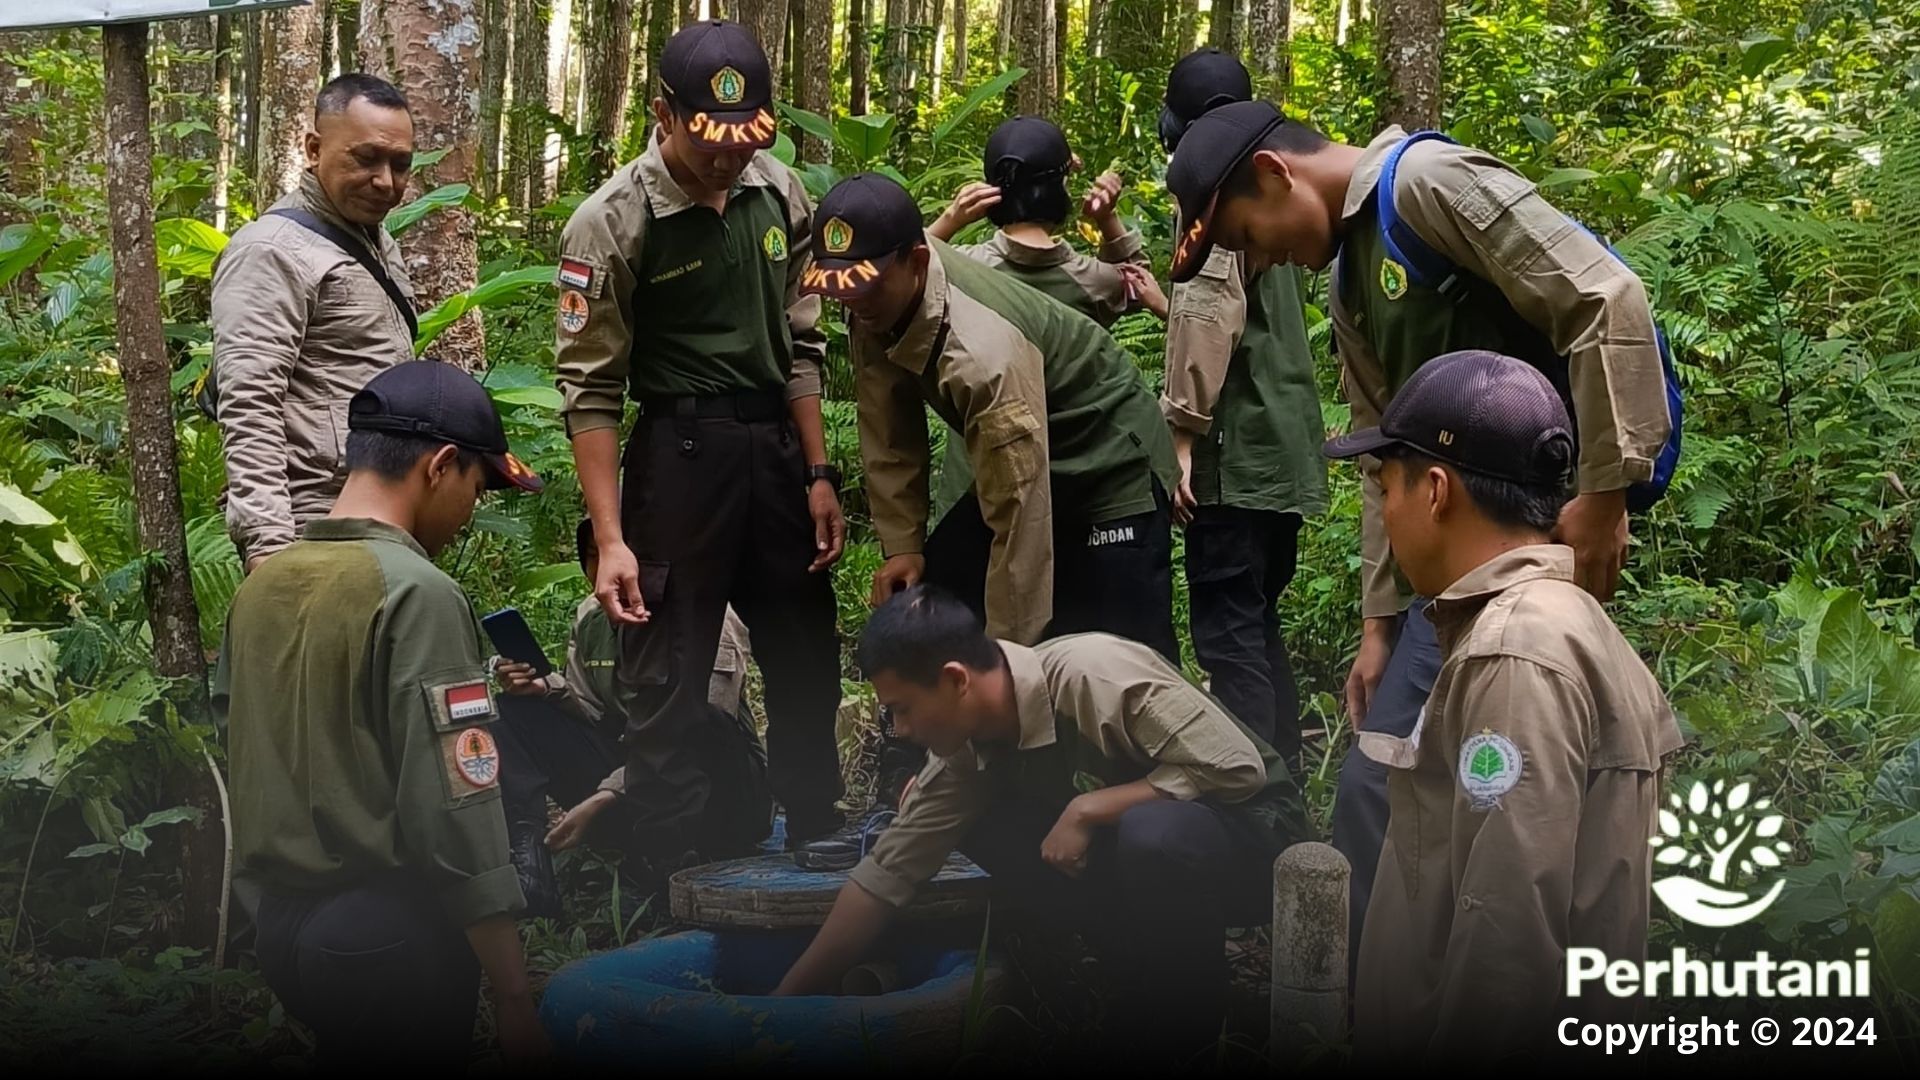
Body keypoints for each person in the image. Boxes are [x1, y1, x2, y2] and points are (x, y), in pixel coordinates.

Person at [1163, 99, 1675, 973]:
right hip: (1449, 574)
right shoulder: (1346, 277)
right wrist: (1378, 623)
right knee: (1389, 784)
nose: (1261, 260)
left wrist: (1605, 491)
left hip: (1524, 548)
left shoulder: (1428, 186)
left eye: (1250, 234)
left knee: (1454, 795)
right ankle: (1394, 987)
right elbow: (1384, 457)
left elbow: (1603, 293)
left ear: (1276, 175)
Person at [1321, 350, 1683, 1063]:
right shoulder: (1562, 624)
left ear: (1434, 490)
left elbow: (1506, 938)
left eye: (1385, 486)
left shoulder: (1515, 655)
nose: (1385, 512)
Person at [772, 586, 1304, 1065]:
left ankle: (1191, 1033)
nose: (903, 730)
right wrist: (783, 1006)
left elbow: (1237, 768)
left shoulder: (1091, 674)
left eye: (904, 709)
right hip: (1151, 864)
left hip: (1258, 837)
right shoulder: (966, 750)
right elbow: (886, 875)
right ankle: (1128, 984)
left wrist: (1089, 808)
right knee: (989, 828)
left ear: (956, 679)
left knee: (1154, 836)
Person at [554, 19, 848, 870]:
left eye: (745, 140)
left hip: (776, 452)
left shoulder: (779, 189)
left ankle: (815, 821)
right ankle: (670, 868)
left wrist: (818, 471)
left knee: (803, 647)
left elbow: (802, 344)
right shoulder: (611, 221)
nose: (727, 161)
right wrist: (611, 539)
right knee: (668, 676)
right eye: (709, 141)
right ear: (664, 114)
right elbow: (591, 390)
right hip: (677, 458)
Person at [212, 361, 548, 1067]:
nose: (470, 513)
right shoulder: (416, 591)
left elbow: (242, 757)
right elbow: (455, 806)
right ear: (442, 465)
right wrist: (514, 994)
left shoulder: (263, 587)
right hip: (388, 940)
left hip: (283, 931)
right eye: (478, 489)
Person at [803, 171, 1181, 662]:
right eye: (840, 288)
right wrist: (903, 546)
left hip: (1108, 457)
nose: (851, 302)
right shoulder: (870, 302)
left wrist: (1008, 662)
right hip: (1030, 450)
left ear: (917, 261)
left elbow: (1021, 516)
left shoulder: (983, 355)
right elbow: (888, 429)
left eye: (866, 288)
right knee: (942, 603)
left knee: (1126, 657)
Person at [1157, 50, 1327, 760]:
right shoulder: (1271, 189)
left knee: (1230, 640)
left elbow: (1209, 306)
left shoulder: (1220, 191)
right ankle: (1281, 788)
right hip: (1281, 456)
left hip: (1235, 458)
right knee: (1256, 630)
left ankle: (1255, 808)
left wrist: (1182, 437)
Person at [211, 73, 420, 571]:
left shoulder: (375, 240)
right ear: (312, 148)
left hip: (374, 515)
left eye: (400, 164)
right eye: (365, 159)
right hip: (310, 525)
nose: (385, 182)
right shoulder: (272, 250)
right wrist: (266, 545)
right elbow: (249, 402)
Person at [923, 114, 1168, 524]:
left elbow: (901, 274)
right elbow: (1140, 281)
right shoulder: (1094, 281)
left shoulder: (959, 272)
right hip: (1068, 490)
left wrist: (950, 219)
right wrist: (1108, 220)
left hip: (974, 488)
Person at [493, 519, 770, 867]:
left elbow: (700, 726)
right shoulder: (592, 617)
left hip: (722, 793)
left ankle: (680, 852)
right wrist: (543, 689)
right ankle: (529, 852)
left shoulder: (709, 614)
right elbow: (589, 708)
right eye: (593, 556)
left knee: (702, 721)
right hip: (635, 777)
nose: (602, 568)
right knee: (515, 712)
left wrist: (608, 794)